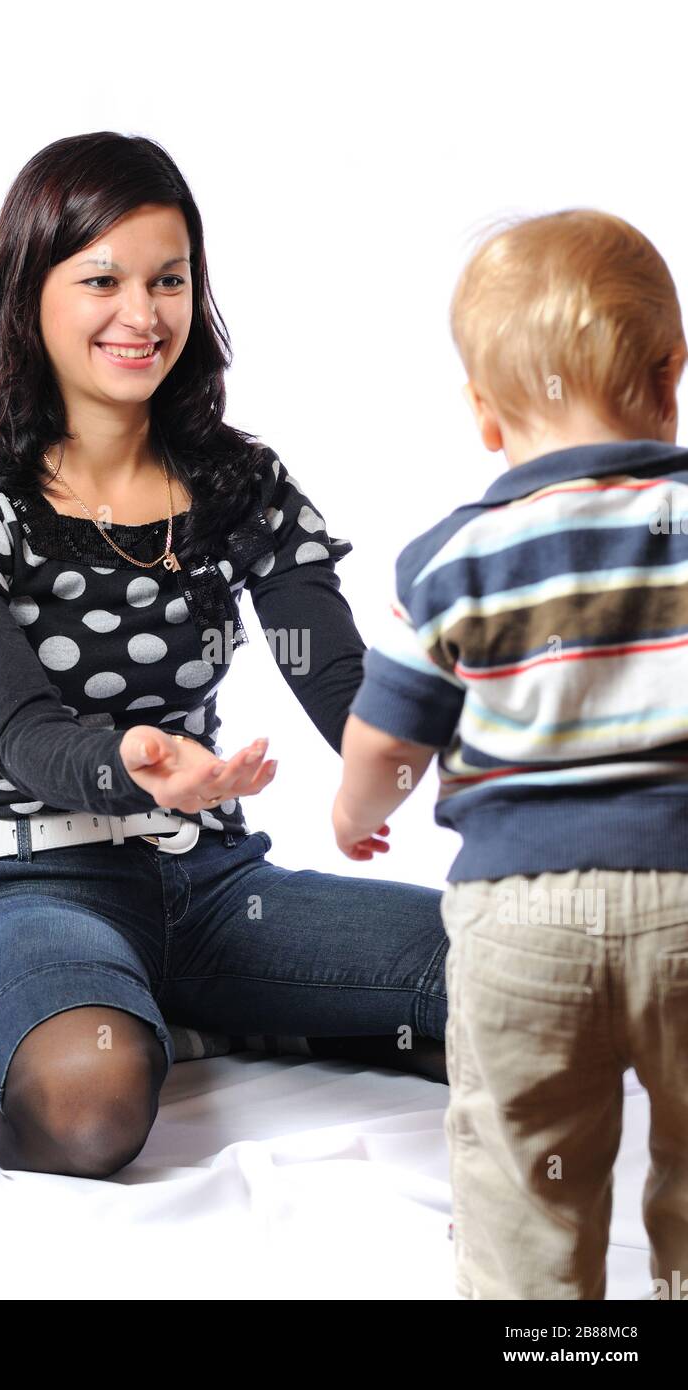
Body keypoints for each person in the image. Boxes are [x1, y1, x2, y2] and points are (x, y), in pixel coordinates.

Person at [0, 131, 450, 1180]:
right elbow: (24, 731)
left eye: (168, 279)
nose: (142, 315)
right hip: (24, 882)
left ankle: (203, 1002)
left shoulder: (238, 486)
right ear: (28, 294)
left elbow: (334, 680)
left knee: (521, 974)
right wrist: (134, 759)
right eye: (102, 279)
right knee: (87, 1103)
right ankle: (70, 1015)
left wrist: (485, 742)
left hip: (214, 889)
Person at [331, 207, 688, 1299]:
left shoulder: (450, 561)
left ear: (484, 418)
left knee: (520, 1182)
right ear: (672, 370)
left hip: (519, 926)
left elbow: (390, 735)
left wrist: (356, 811)